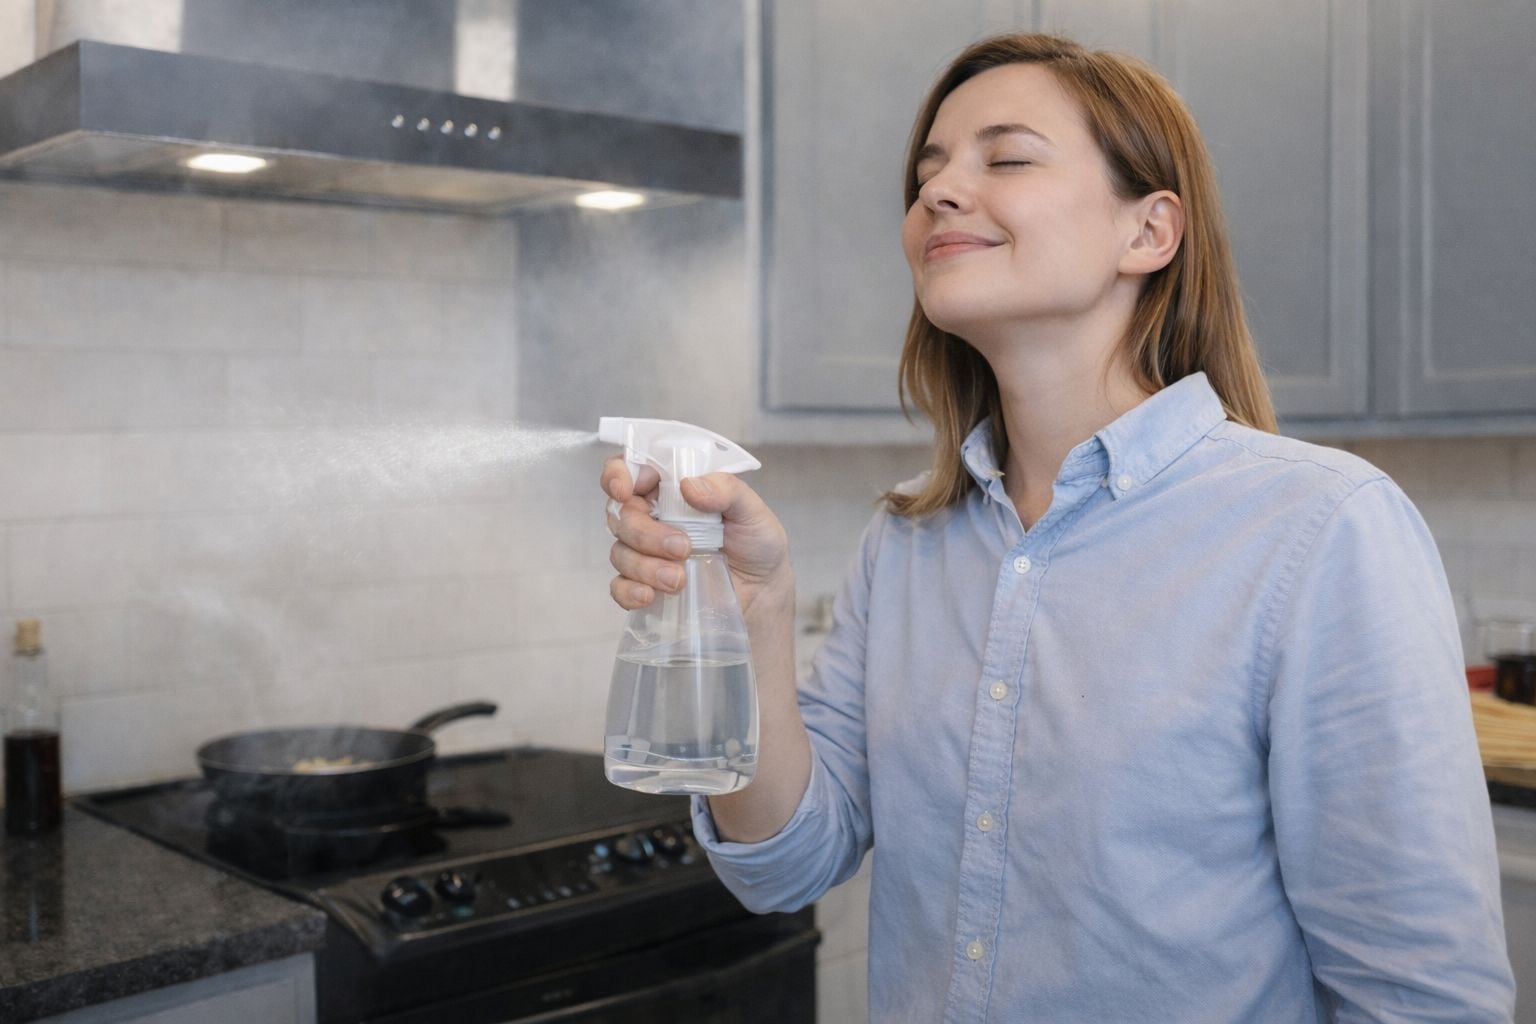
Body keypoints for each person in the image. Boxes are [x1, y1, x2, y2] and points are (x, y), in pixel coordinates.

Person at [601, 31, 1515, 1023]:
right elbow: (783, 864)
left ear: (1149, 232)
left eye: (1006, 158)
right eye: (928, 174)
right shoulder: (906, 542)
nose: (939, 195)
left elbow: (1423, 996)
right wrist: (753, 624)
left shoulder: (1322, 529)